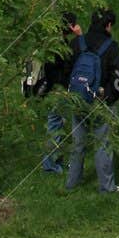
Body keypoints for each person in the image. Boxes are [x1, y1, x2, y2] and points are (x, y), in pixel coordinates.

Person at [66, 9, 119, 194]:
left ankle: (72, 182)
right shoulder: (111, 46)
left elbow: (68, 71)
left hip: (77, 99)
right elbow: (118, 80)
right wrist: (110, 97)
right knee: (103, 143)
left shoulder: (77, 43)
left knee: (78, 142)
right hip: (100, 100)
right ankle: (106, 187)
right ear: (108, 25)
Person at [38, 11, 81, 175]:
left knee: (57, 125)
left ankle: (55, 161)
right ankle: (49, 164)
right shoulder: (62, 46)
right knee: (55, 126)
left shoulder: (52, 42)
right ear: (70, 26)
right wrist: (79, 37)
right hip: (58, 90)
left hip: (51, 89)